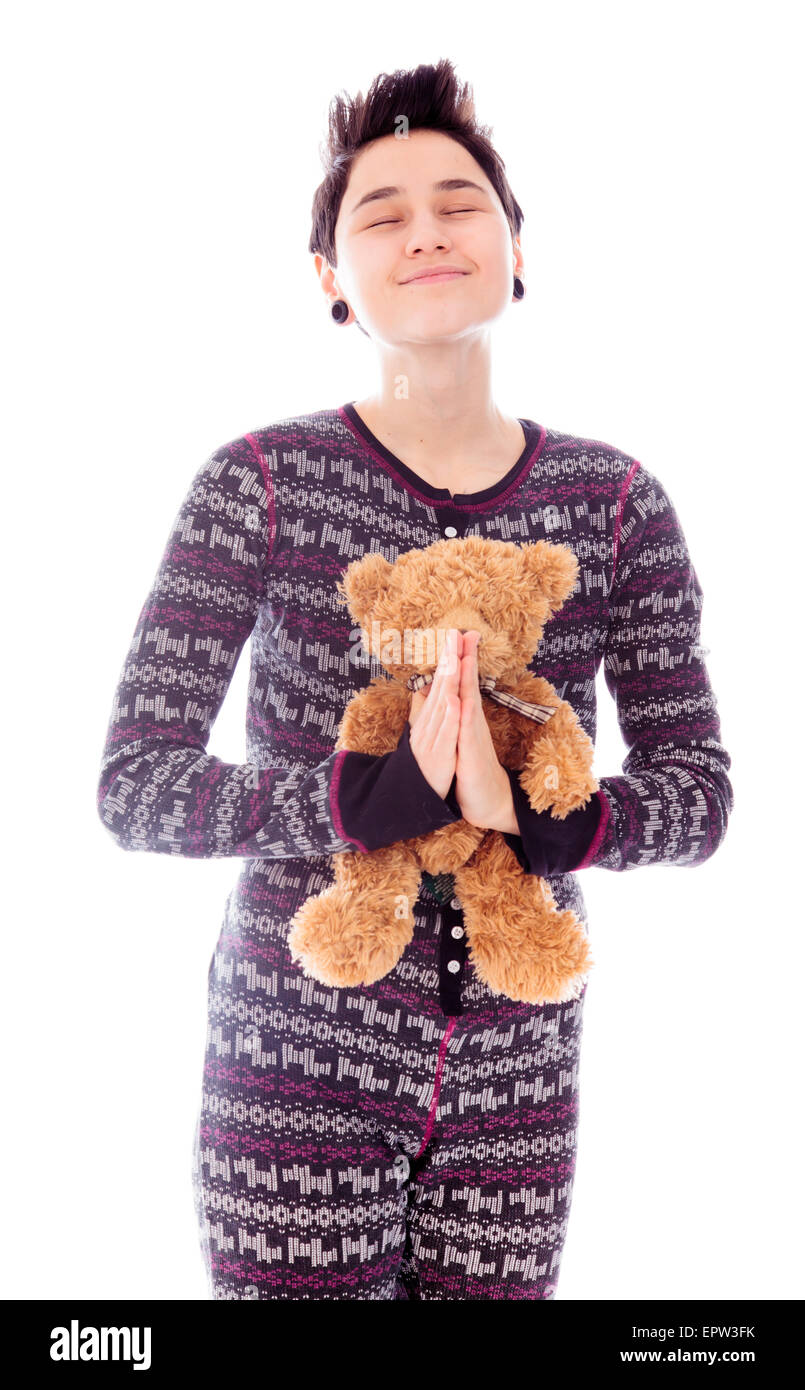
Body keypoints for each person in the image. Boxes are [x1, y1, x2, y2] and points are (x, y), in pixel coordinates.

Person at [95, 58, 734, 1300]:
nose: (426, 229)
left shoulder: (613, 503)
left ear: (515, 250)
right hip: (294, 1060)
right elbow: (133, 784)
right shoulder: (258, 485)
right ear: (332, 278)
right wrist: (350, 804)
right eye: (379, 214)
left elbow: (700, 794)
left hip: (518, 1079)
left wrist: (552, 813)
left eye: (460, 202)